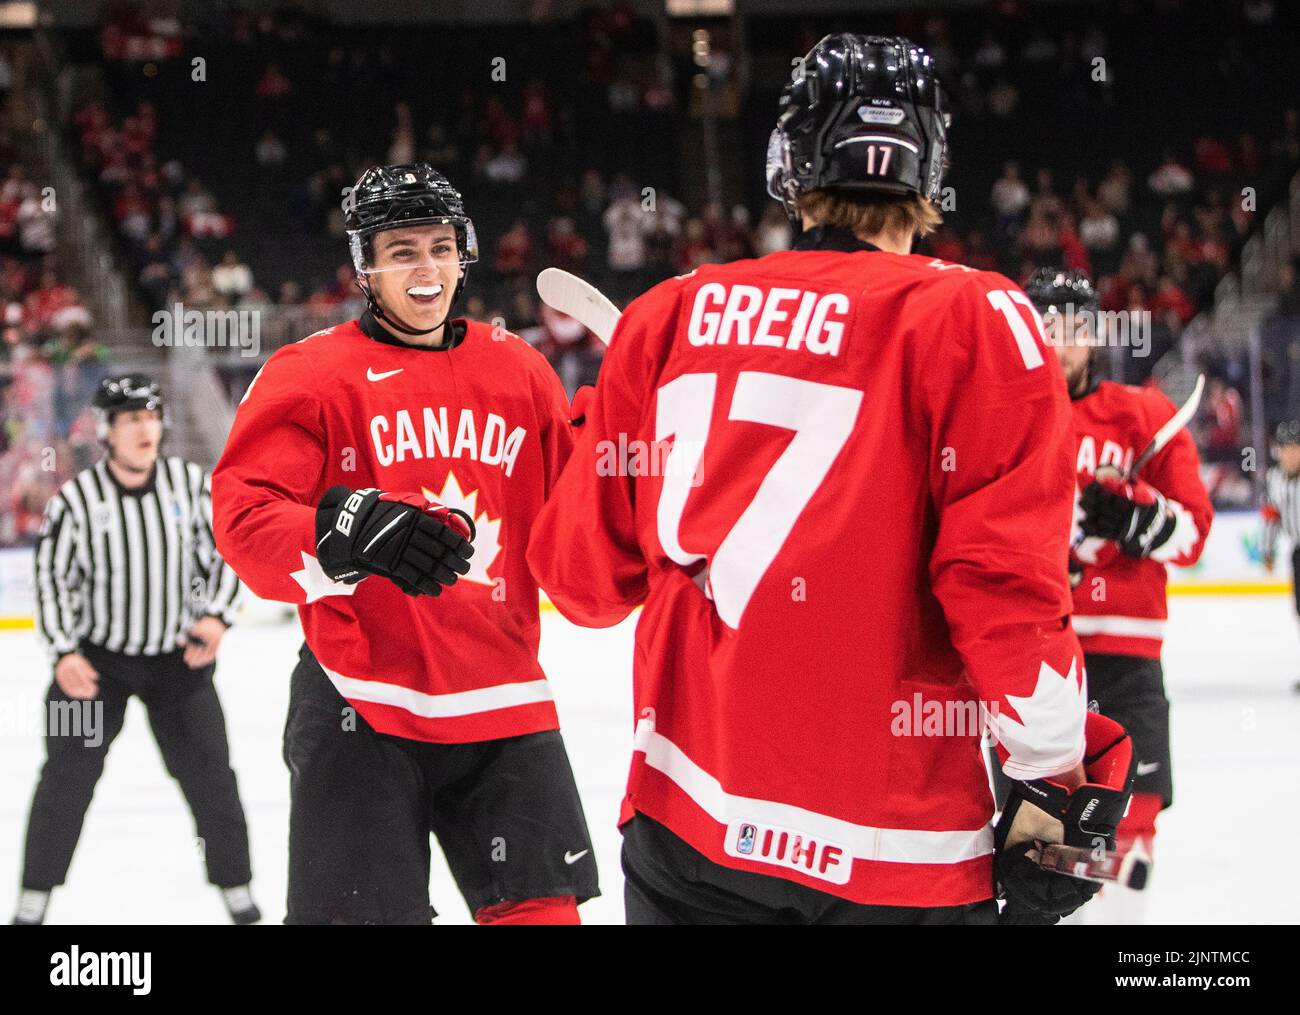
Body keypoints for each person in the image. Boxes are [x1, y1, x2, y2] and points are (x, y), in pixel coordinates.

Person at [528, 34, 1133, 926]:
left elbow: (581, 585)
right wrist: (1057, 782)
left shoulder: (670, 317)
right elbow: (1001, 590)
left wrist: (601, 438)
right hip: (899, 855)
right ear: (931, 167)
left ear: (792, 160)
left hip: (690, 827)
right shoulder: (983, 317)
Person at [211, 164, 599, 925]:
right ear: (366, 265)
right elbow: (244, 515)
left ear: (465, 253)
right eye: (402, 251)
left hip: (503, 697)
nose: (427, 270)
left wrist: (628, 449)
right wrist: (342, 532)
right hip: (361, 702)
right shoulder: (311, 373)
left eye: (441, 247)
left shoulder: (519, 368)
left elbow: (582, 525)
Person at [14, 374, 257, 926]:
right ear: (107, 431)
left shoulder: (188, 484)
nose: (144, 429)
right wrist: (64, 653)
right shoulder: (77, 500)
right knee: (64, 782)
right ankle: (33, 899)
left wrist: (217, 616)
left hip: (177, 662)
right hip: (96, 666)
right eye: (130, 420)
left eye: (150, 417)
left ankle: (237, 889)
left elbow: (224, 553)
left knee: (212, 778)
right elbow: (53, 580)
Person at [1025, 267, 1214, 923]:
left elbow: (1192, 536)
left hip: (1125, 653)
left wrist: (1134, 515)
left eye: (1072, 328)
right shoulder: (1006, 420)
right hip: (1035, 652)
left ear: (1093, 334)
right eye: (1046, 328)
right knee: (1038, 826)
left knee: (1131, 819)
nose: (1059, 344)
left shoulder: (1141, 414)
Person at [1261, 419, 1300, 693]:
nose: (1291, 454)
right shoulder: (1274, 479)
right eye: (1286, 448)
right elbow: (1271, 516)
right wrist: (1267, 550)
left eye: (1296, 448)